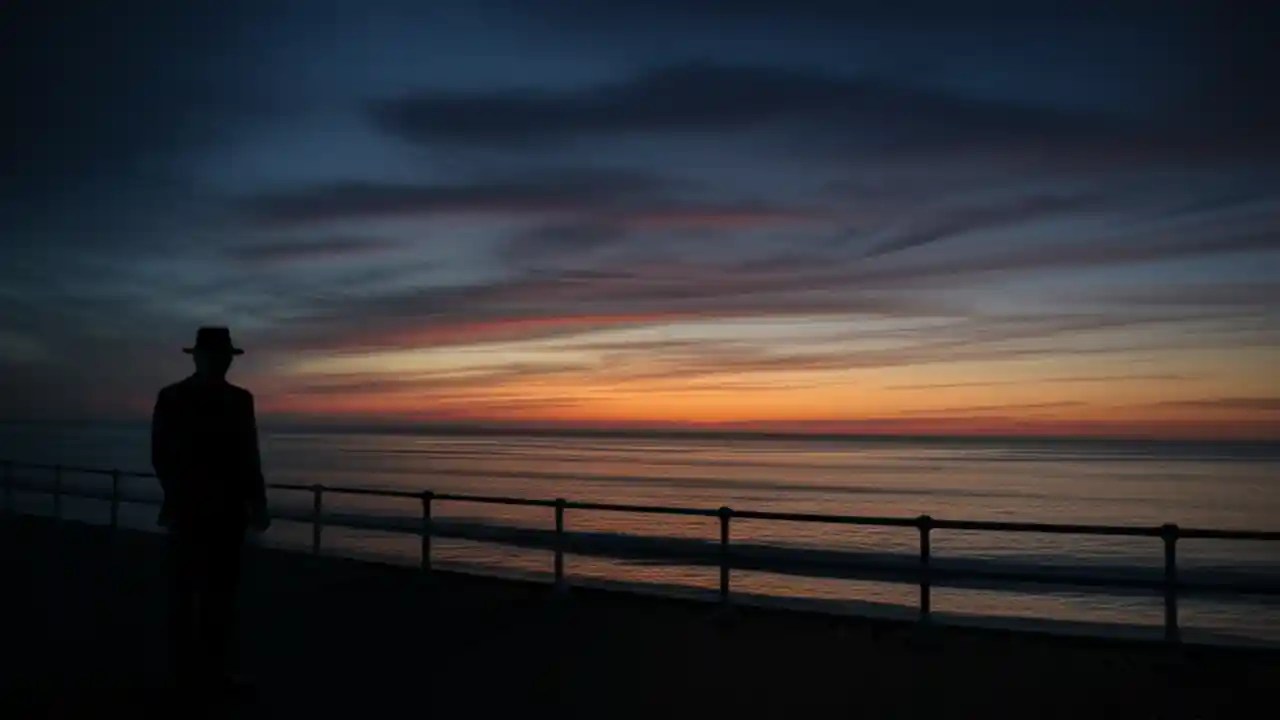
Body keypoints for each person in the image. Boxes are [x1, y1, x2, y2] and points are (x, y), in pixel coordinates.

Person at [151, 326, 270, 695]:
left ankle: (209, 674)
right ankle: (188, 676)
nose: (220, 363)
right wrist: (183, 494)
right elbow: (161, 457)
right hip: (195, 511)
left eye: (223, 358)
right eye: (215, 356)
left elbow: (249, 456)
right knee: (188, 595)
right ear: (199, 357)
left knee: (218, 596)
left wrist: (257, 502)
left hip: (220, 513)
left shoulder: (235, 400)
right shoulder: (174, 398)